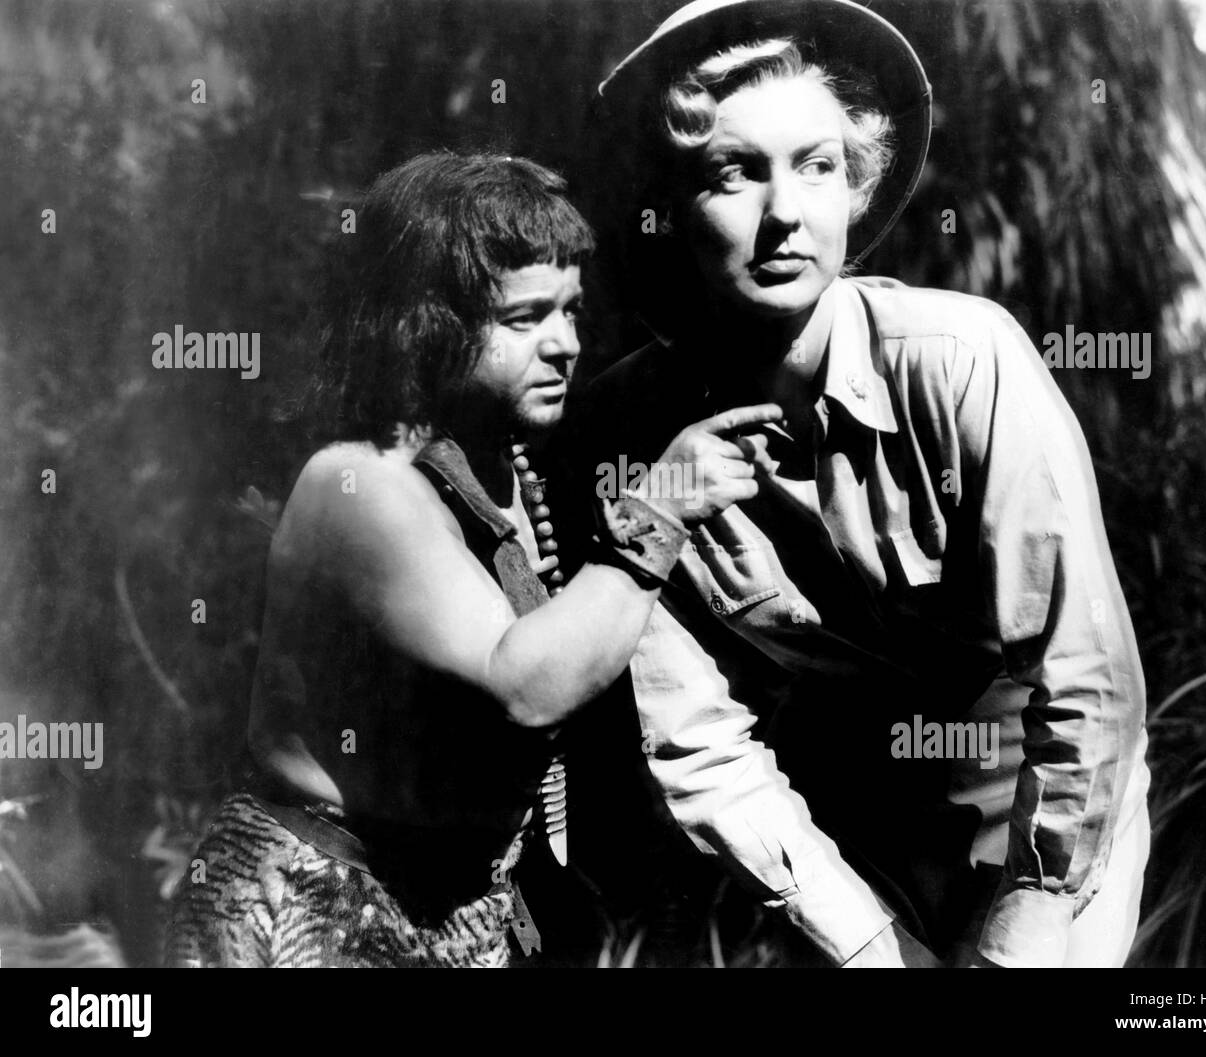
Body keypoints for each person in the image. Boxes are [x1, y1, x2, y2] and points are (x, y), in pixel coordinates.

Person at [573, 0, 1151, 968]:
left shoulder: (965, 362)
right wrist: (871, 943)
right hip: (840, 835)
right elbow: (698, 745)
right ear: (669, 203)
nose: (785, 213)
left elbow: (1084, 675)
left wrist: (1039, 899)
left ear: (856, 187)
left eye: (818, 165)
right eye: (735, 171)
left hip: (1042, 805)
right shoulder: (628, 436)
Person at [163, 150, 779, 967]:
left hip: (455, 914)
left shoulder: (504, 465)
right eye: (525, 319)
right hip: (312, 913)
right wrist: (657, 512)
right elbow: (524, 684)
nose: (565, 345)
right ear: (426, 325)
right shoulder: (360, 480)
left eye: (571, 311)